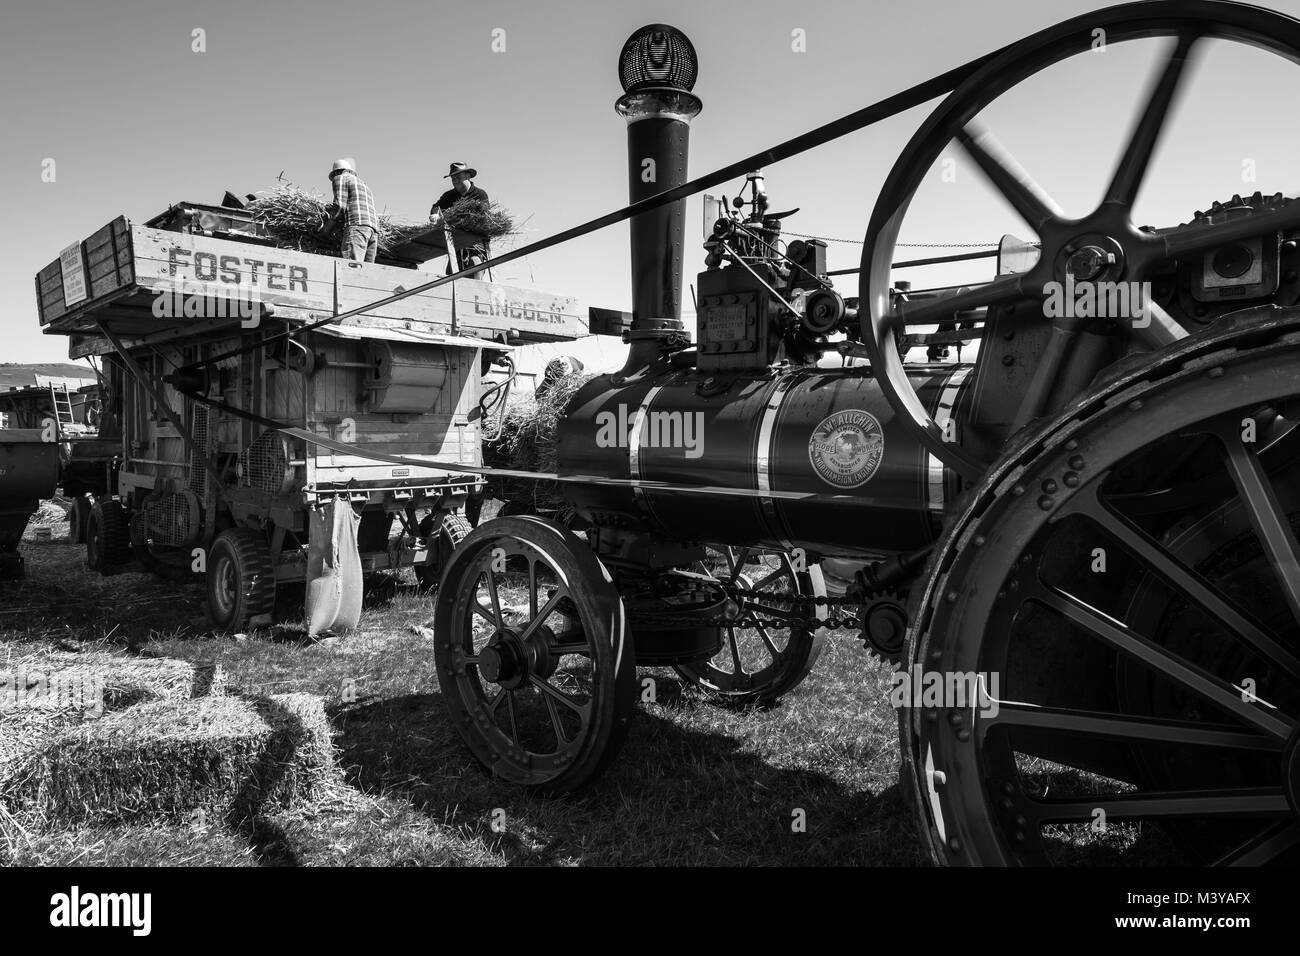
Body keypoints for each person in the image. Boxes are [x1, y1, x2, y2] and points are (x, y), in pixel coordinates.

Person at [430, 162, 490, 277]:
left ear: (468, 176)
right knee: (450, 276)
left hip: (475, 247)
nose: (455, 180)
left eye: (458, 177)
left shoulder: (480, 195)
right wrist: (435, 215)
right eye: (453, 178)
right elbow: (436, 208)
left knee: (474, 268)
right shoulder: (449, 196)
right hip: (455, 248)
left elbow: (484, 220)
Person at [324, 158, 378, 263]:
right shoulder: (365, 186)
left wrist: (327, 227)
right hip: (373, 231)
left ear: (338, 171)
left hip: (357, 228)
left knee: (352, 268)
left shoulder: (340, 178)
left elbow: (340, 206)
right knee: (367, 272)